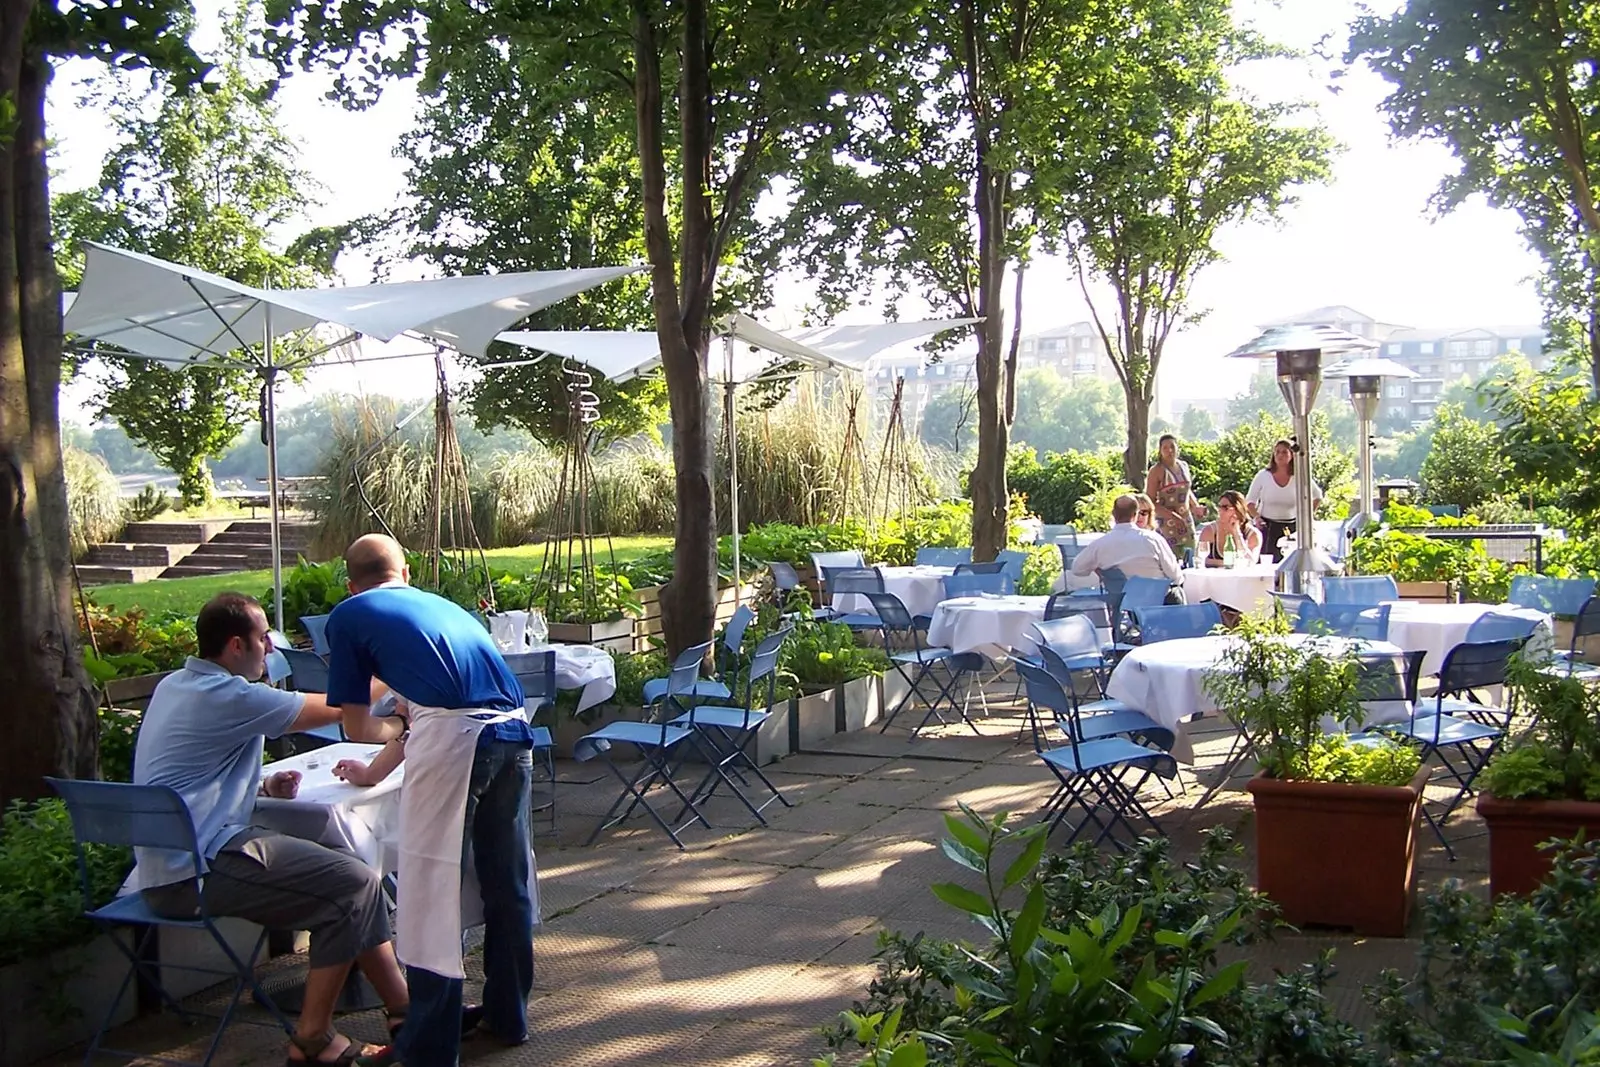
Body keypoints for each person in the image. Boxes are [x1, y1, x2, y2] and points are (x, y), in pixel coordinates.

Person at [132, 593, 410, 1066]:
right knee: (354, 884)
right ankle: (313, 1039)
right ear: (236, 645)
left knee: (355, 880)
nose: (272, 648)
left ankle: (409, 1015)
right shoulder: (227, 694)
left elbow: (188, 771)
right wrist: (394, 681)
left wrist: (264, 782)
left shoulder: (177, 685)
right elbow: (336, 709)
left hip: (171, 860)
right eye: (265, 639)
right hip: (192, 872)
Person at [326, 534, 536, 1067]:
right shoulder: (442, 608)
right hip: (514, 737)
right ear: (406, 574)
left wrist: (388, 725)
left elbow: (358, 723)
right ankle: (507, 1016)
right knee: (506, 885)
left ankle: (427, 1047)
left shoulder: (349, 616)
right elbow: (435, 709)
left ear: (351, 585)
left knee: (428, 893)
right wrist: (375, 770)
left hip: (456, 747)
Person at [1070, 494, 1184, 586]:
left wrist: (1099, 570)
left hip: (1120, 604)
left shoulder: (1100, 545)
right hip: (1155, 606)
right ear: (1135, 515)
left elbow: (1077, 569)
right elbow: (1175, 576)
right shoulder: (1154, 540)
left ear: (1113, 515)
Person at [1246, 439, 1322, 561]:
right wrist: (1256, 518)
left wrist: (1307, 517)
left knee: (1292, 562)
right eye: (1277, 452)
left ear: (1292, 455)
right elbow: (1249, 502)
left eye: (1284, 452)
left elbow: (1317, 496)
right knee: (1268, 562)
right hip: (1268, 526)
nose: (1280, 455)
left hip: (1293, 527)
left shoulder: (1299, 476)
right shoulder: (1263, 475)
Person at [1145, 434, 1205, 554]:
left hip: (1185, 518)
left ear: (1178, 448)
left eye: (1172, 446)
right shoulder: (1156, 471)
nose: (1169, 451)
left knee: (1190, 553)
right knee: (1171, 556)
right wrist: (1172, 516)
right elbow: (1150, 500)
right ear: (1160, 451)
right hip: (1166, 522)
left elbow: (1187, 491)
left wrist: (1196, 506)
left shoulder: (1183, 466)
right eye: (1165, 448)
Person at [1196, 490, 1263, 567]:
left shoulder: (1253, 534)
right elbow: (1200, 559)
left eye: (1225, 507)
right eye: (1219, 507)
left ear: (1238, 509)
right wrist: (1228, 564)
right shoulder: (1210, 530)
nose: (1220, 511)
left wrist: (1237, 533)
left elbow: (1250, 562)